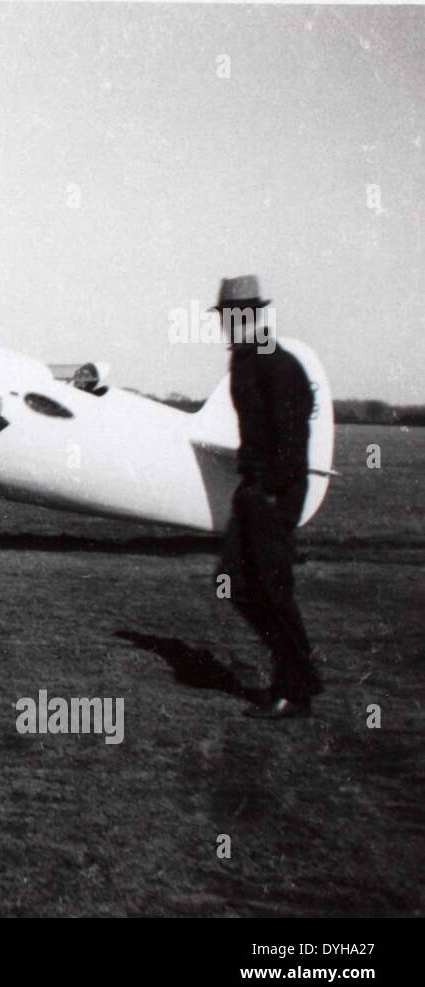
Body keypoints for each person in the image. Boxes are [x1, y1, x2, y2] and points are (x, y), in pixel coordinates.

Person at [213, 275, 322, 719]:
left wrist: (273, 492)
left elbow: (293, 436)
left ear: (255, 315)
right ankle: (300, 675)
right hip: (254, 488)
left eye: (235, 315)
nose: (228, 323)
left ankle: (294, 689)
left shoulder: (277, 364)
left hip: (273, 491)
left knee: (273, 591)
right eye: (224, 316)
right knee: (235, 584)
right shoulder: (245, 361)